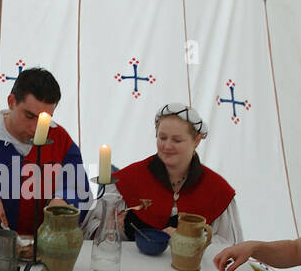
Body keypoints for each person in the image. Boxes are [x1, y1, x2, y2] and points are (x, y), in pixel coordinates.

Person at [0, 66, 90, 233]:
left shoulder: (60, 139)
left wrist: (63, 200)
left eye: (44, 120)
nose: (36, 128)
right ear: (11, 101)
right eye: (29, 116)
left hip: (41, 247)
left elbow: (78, 187)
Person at [100, 103, 241, 243]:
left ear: (197, 141)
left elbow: (229, 248)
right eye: (162, 138)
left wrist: (193, 240)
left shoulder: (217, 190)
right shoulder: (127, 180)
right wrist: (112, 230)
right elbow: (95, 232)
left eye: (177, 140)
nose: (167, 146)